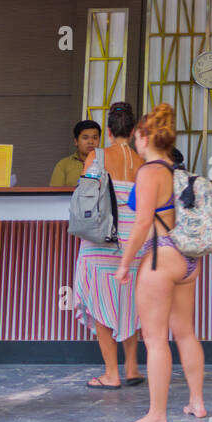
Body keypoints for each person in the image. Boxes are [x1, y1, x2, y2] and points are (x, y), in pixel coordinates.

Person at [115, 104, 206, 422]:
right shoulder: (176, 169)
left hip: (160, 257)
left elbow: (142, 223)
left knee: (155, 340)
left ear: (143, 136)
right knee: (186, 333)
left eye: (137, 137)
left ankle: (156, 415)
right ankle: (196, 401)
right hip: (186, 259)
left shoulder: (149, 171)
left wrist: (125, 263)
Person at [74, 102, 144, 389]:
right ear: (133, 128)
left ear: (110, 130)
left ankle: (111, 373)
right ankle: (131, 369)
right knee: (131, 303)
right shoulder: (143, 162)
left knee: (101, 304)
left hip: (102, 240)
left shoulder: (96, 157)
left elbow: (86, 195)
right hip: (135, 243)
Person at [50, 119, 101, 186]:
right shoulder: (63, 165)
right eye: (85, 138)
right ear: (76, 141)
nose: (91, 142)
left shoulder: (106, 162)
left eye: (95, 138)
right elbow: (56, 194)